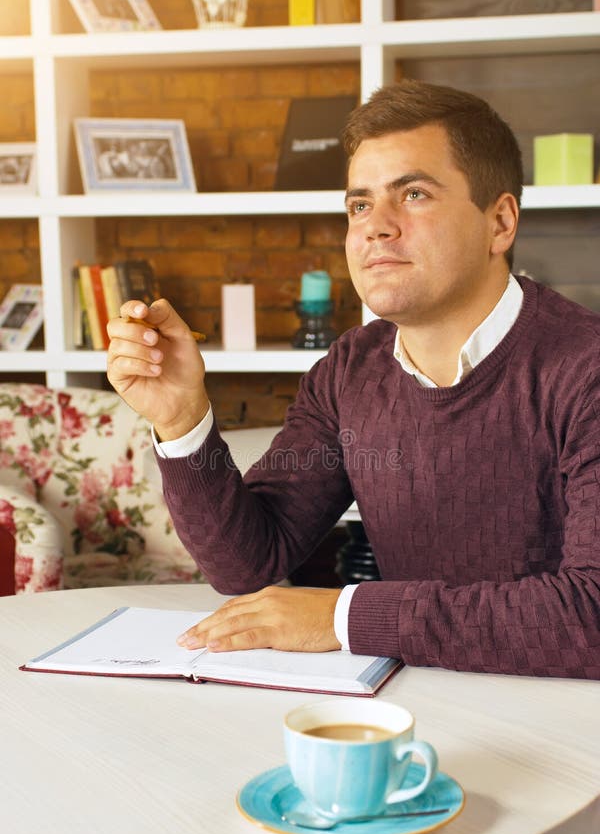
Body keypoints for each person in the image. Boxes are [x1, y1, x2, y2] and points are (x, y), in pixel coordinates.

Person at [106, 79, 600, 679]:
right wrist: (182, 421)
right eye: (359, 205)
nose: (375, 227)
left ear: (499, 223)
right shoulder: (349, 370)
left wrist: (342, 618)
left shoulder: (586, 369)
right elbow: (249, 561)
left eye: (413, 194)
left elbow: (590, 617)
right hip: (415, 704)